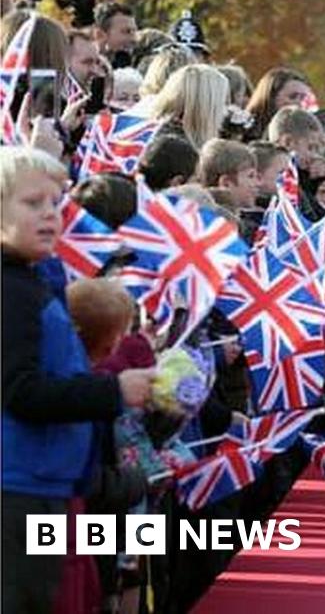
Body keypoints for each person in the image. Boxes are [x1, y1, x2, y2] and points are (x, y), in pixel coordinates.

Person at [1, 146, 154, 614]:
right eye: (33, 203)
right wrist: (115, 390)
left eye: (56, 202)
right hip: (18, 491)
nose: (50, 215)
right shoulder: (10, 291)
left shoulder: (28, 280)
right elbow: (19, 390)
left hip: (46, 486)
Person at [246, 67, 312, 140]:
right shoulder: (243, 133)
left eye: (303, 98)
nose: (300, 104)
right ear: (271, 98)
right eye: (293, 97)